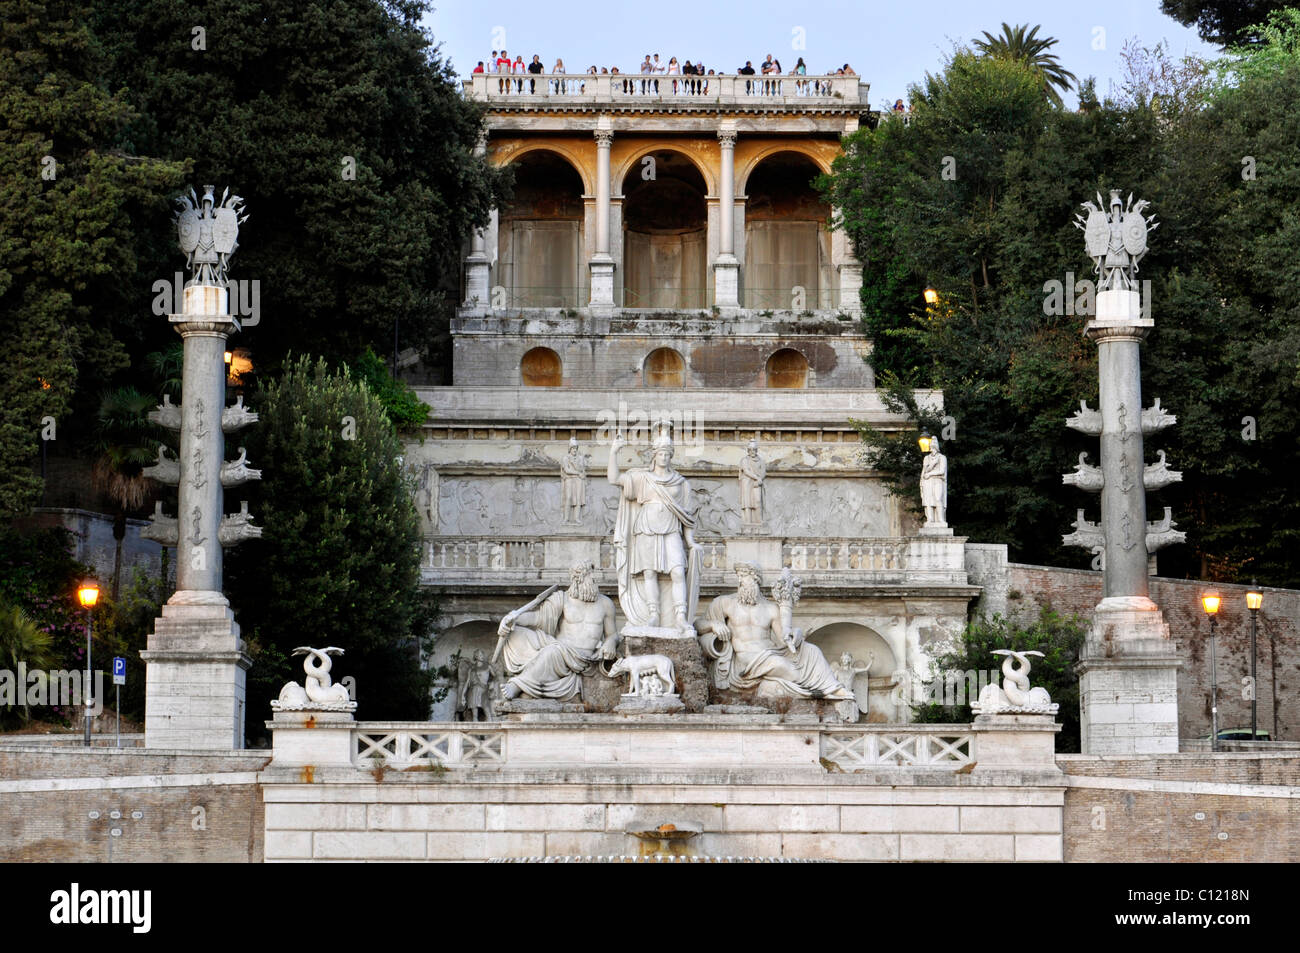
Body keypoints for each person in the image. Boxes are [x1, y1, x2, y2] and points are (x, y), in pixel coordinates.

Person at [697, 564, 854, 703]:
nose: (740, 582)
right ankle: (817, 688)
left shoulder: (771, 608)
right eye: (739, 577)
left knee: (813, 651)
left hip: (770, 653)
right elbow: (697, 625)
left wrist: (795, 634)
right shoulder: (725, 603)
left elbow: (784, 638)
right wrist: (713, 624)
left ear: (756, 580)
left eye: (744, 577)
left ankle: (833, 688)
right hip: (745, 661)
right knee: (782, 666)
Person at [608, 428, 700, 633]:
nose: (664, 457)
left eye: (668, 454)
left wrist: (691, 541)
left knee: (677, 571)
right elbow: (614, 479)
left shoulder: (681, 483)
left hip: (671, 529)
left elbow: (687, 517)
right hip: (646, 528)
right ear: (654, 455)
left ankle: (680, 616)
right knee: (649, 573)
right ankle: (653, 615)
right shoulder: (642, 478)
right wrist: (614, 452)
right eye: (661, 453)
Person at [496, 563, 618, 701]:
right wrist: (514, 619)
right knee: (516, 633)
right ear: (577, 580)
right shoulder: (563, 599)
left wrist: (610, 643)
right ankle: (530, 683)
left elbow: (612, 634)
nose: (595, 579)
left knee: (552, 652)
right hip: (559, 646)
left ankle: (517, 685)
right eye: (590, 576)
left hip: (582, 657)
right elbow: (537, 617)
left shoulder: (606, 603)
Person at [920, 436, 948, 526]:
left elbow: (942, 471)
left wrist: (930, 474)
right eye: (931, 446)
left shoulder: (942, 458)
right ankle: (930, 520)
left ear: (937, 447)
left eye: (934, 446)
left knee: (938, 498)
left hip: (938, 480)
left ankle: (940, 519)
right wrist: (932, 465)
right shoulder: (926, 458)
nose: (932, 448)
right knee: (928, 500)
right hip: (927, 481)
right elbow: (924, 472)